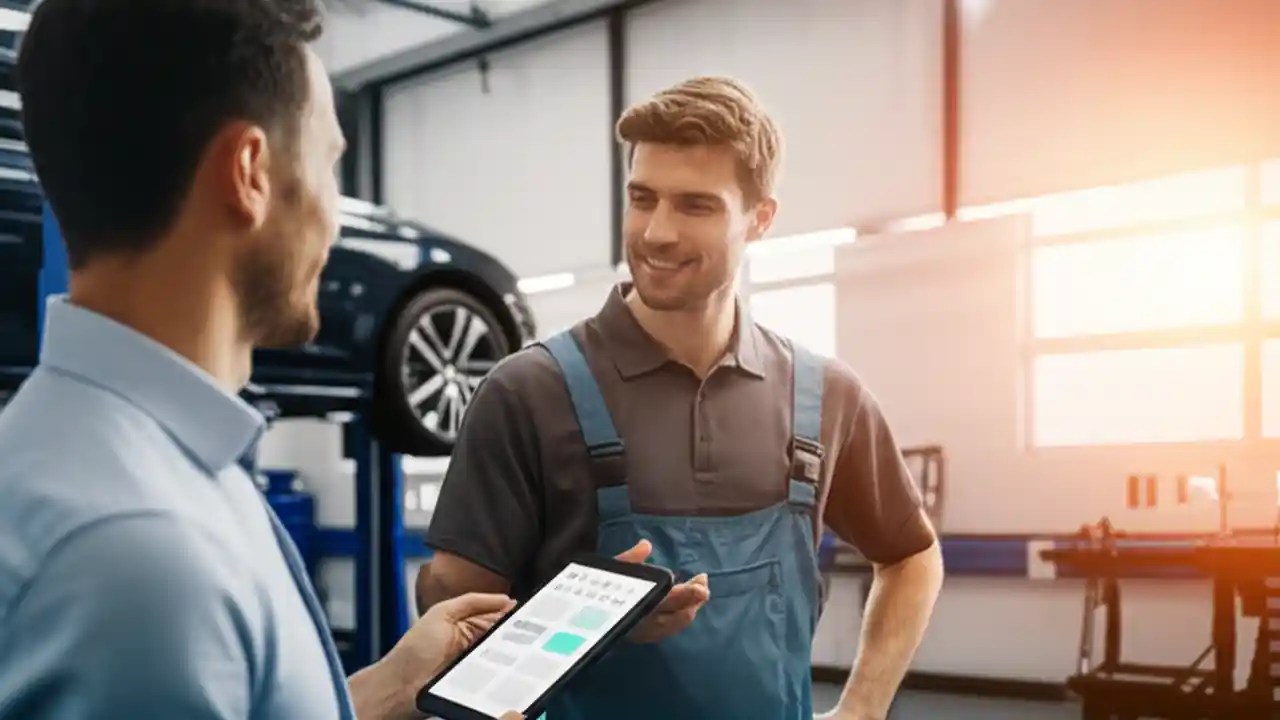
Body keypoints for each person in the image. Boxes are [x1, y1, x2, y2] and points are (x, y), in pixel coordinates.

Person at [0, 1, 521, 718]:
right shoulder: (141, 558)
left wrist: (394, 684)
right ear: (249, 172)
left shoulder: (125, 463)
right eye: (328, 164)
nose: (335, 216)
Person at [418, 75, 946, 720]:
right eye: (642, 199)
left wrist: (863, 707)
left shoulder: (825, 398)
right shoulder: (528, 392)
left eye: (695, 206)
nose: (656, 232)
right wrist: (588, 628)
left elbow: (912, 556)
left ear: (759, 220)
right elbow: (452, 624)